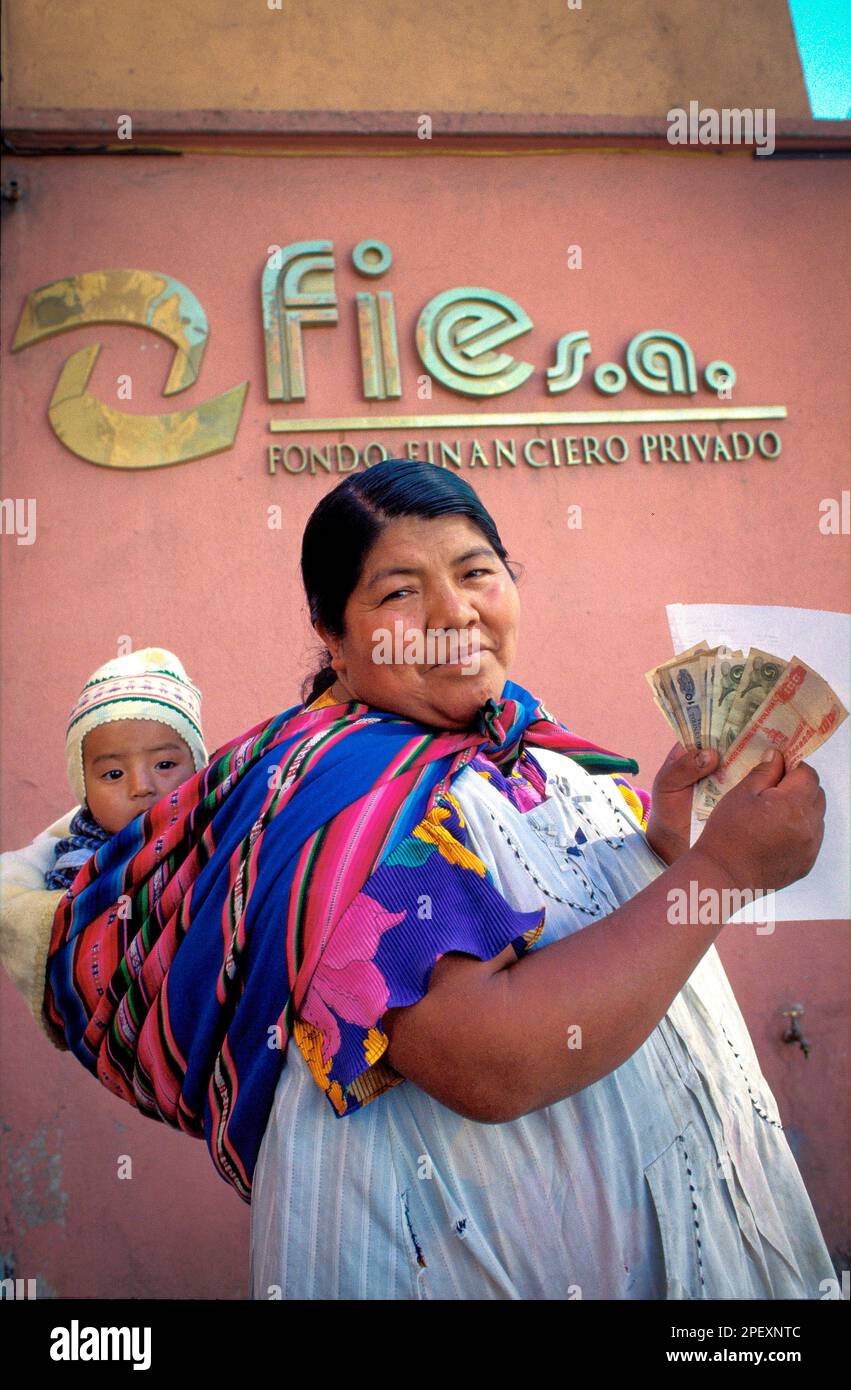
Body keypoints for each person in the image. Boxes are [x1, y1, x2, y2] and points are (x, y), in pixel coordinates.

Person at [42, 460, 835, 1301]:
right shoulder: (349, 800)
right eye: (397, 592)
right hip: (457, 1260)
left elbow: (599, 943)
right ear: (333, 633)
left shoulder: (535, 751)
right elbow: (484, 1061)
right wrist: (720, 873)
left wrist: (669, 846)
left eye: (475, 572)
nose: (454, 613)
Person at [0, 648, 207, 1047]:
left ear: (197, 767)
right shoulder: (83, 859)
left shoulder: (216, 827)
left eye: (165, 765)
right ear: (86, 794)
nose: (142, 786)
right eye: (113, 773)